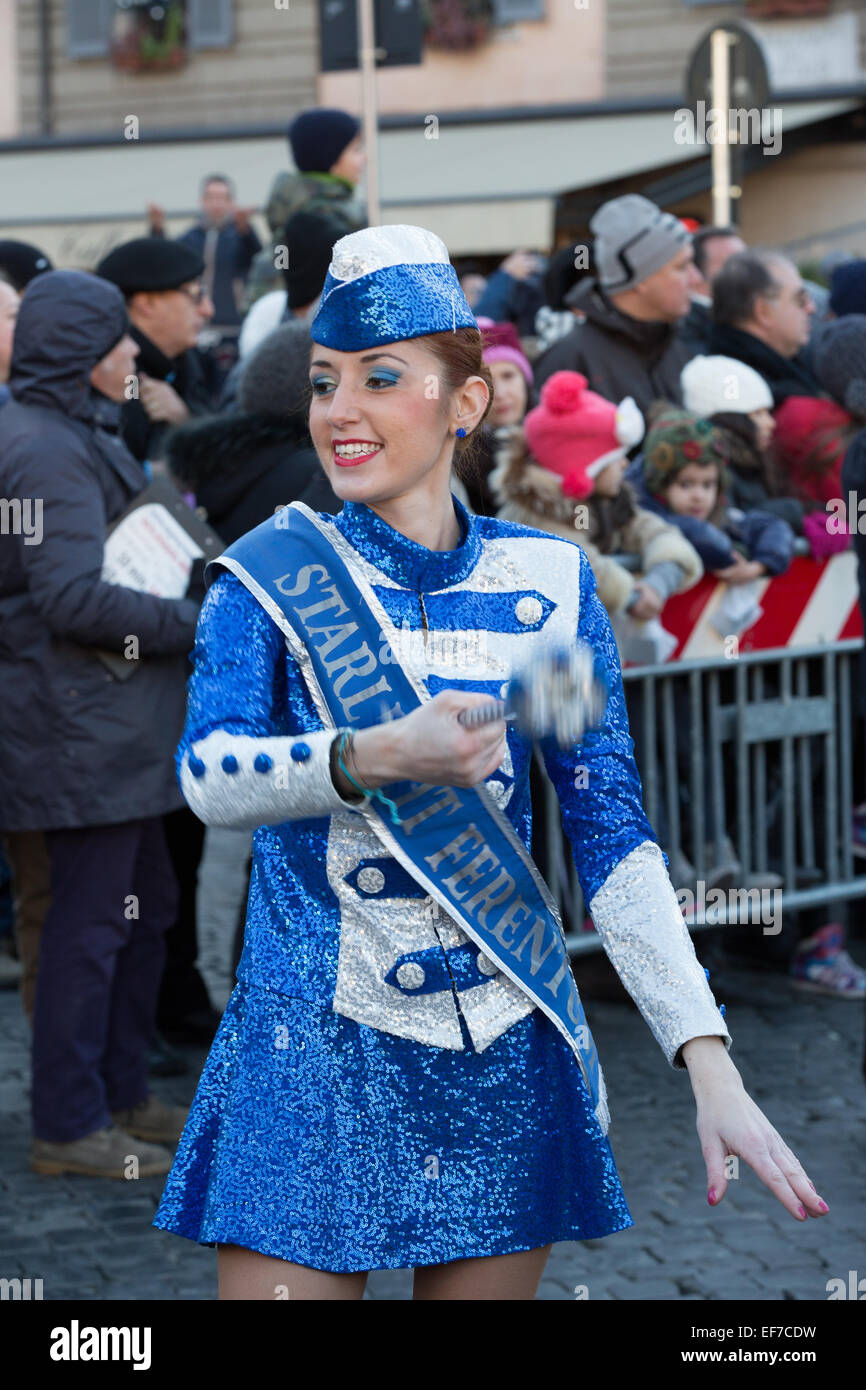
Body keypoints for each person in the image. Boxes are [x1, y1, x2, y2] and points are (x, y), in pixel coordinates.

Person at [151, 224, 828, 1299]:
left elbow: (608, 831)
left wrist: (707, 1057)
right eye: (325, 383)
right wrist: (365, 753)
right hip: (315, 1053)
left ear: (463, 405)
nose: (340, 411)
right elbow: (208, 775)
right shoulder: (267, 578)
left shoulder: (548, 587)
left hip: (499, 1046)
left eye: (380, 379)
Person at [0, 270, 200, 1178]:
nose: (134, 354)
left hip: (109, 726)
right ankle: (71, 1125)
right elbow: (74, 598)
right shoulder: (41, 448)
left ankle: (123, 1096)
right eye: (117, 340)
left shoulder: (67, 429)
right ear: (84, 355)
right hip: (77, 728)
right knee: (88, 930)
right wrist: (195, 627)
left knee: (141, 912)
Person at [491, 370, 702, 627]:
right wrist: (630, 596)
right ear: (585, 467)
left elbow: (651, 530)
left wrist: (658, 583)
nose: (625, 464)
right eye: (614, 459)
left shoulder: (605, 502)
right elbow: (580, 566)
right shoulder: (535, 519)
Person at [534, 194, 700, 414]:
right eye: (681, 267)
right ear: (641, 279)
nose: (696, 278)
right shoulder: (570, 362)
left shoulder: (676, 346)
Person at [95, 236, 216, 466]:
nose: (208, 309)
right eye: (196, 294)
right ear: (146, 304)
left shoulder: (188, 367)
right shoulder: (115, 383)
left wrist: (185, 421)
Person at [244, 107, 366, 310]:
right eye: (356, 150)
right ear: (332, 159)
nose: (364, 159)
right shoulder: (324, 223)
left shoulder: (295, 210)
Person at [148, 174, 262, 391]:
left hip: (233, 326)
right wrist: (158, 230)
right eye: (211, 197)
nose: (216, 204)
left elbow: (257, 260)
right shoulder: (190, 238)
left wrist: (246, 230)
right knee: (198, 386)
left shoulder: (241, 236)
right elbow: (166, 263)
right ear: (202, 201)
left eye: (222, 198)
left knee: (232, 387)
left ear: (231, 203)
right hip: (195, 328)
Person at [459, 317, 536, 517]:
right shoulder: (459, 461)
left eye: (508, 376)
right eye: (488, 381)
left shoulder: (557, 434)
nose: (500, 393)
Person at [679, 225, 746, 351]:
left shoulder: (736, 316)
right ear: (697, 271)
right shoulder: (686, 326)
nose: (748, 272)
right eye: (734, 263)